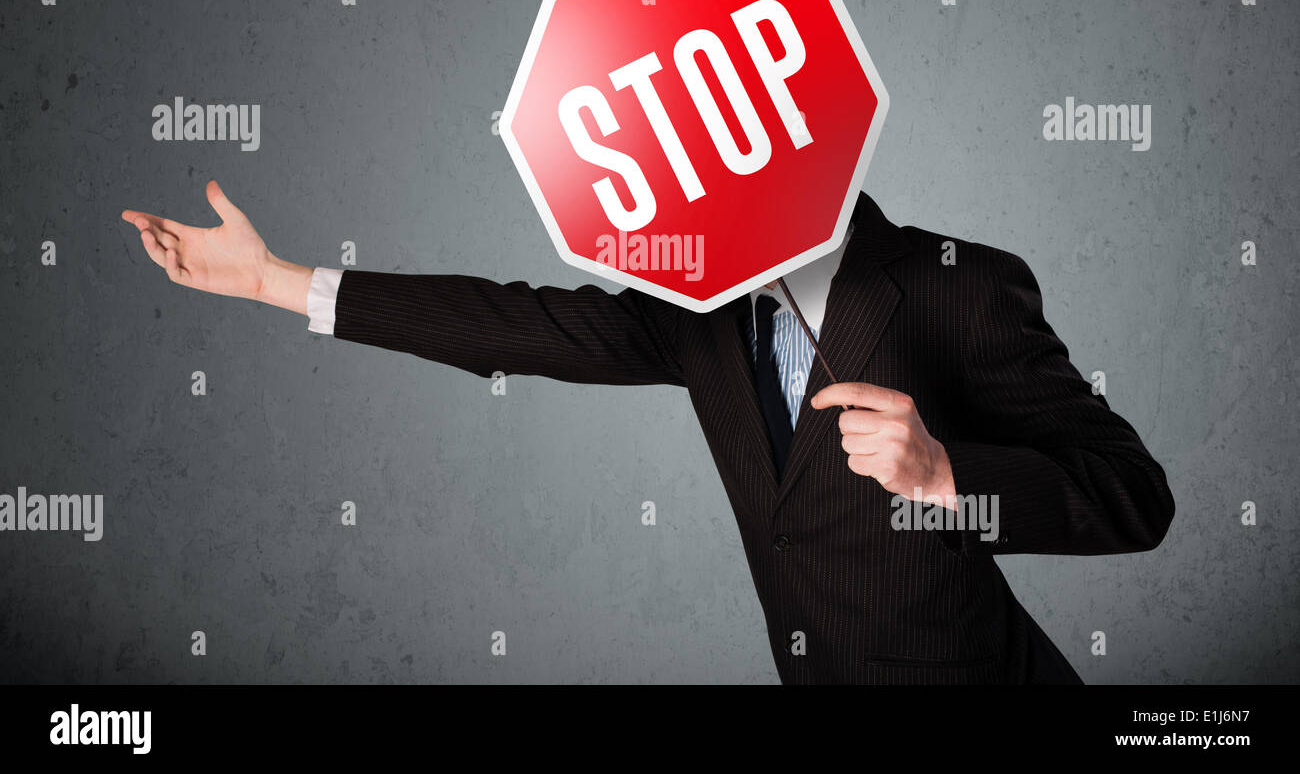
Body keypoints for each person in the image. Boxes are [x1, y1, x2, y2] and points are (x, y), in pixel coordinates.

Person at [122, 179, 1175, 684]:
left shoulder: (963, 285)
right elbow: (518, 323)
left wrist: (950, 475)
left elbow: (1134, 493)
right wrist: (276, 282)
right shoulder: (703, 316)